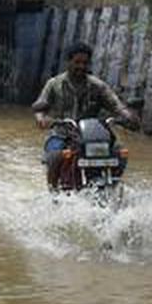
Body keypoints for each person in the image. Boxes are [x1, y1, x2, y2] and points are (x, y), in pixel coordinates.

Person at [32, 42, 139, 193]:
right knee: (55, 156)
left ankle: (113, 186)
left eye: (85, 63)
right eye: (77, 62)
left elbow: (117, 106)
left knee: (120, 153)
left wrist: (127, 116)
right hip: (63, 134)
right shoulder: (54, 84)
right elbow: (40, 106)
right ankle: (53, 194)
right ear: (68, 62)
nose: (81, 66)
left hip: (93, 135)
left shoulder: (98, 86)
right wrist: (41, 119)